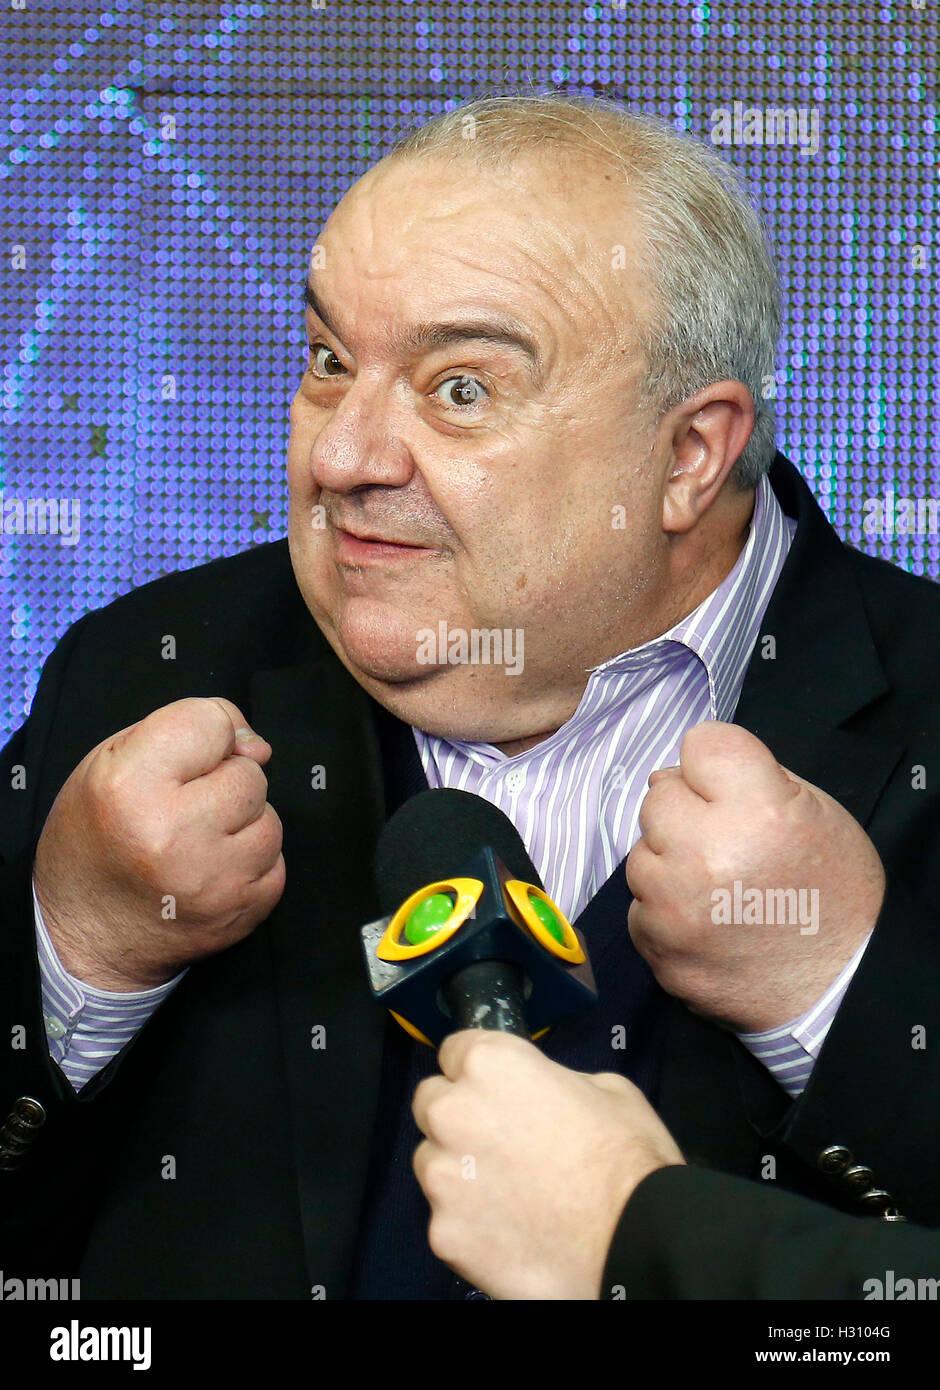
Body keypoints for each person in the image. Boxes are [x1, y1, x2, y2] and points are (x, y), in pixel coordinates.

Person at [1, 95, 938, 1299]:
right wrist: (74, 952)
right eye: (332, 362)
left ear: (688, 455)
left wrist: (843, 994)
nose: (342, 459)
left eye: (459, 390)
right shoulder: (149, 673)